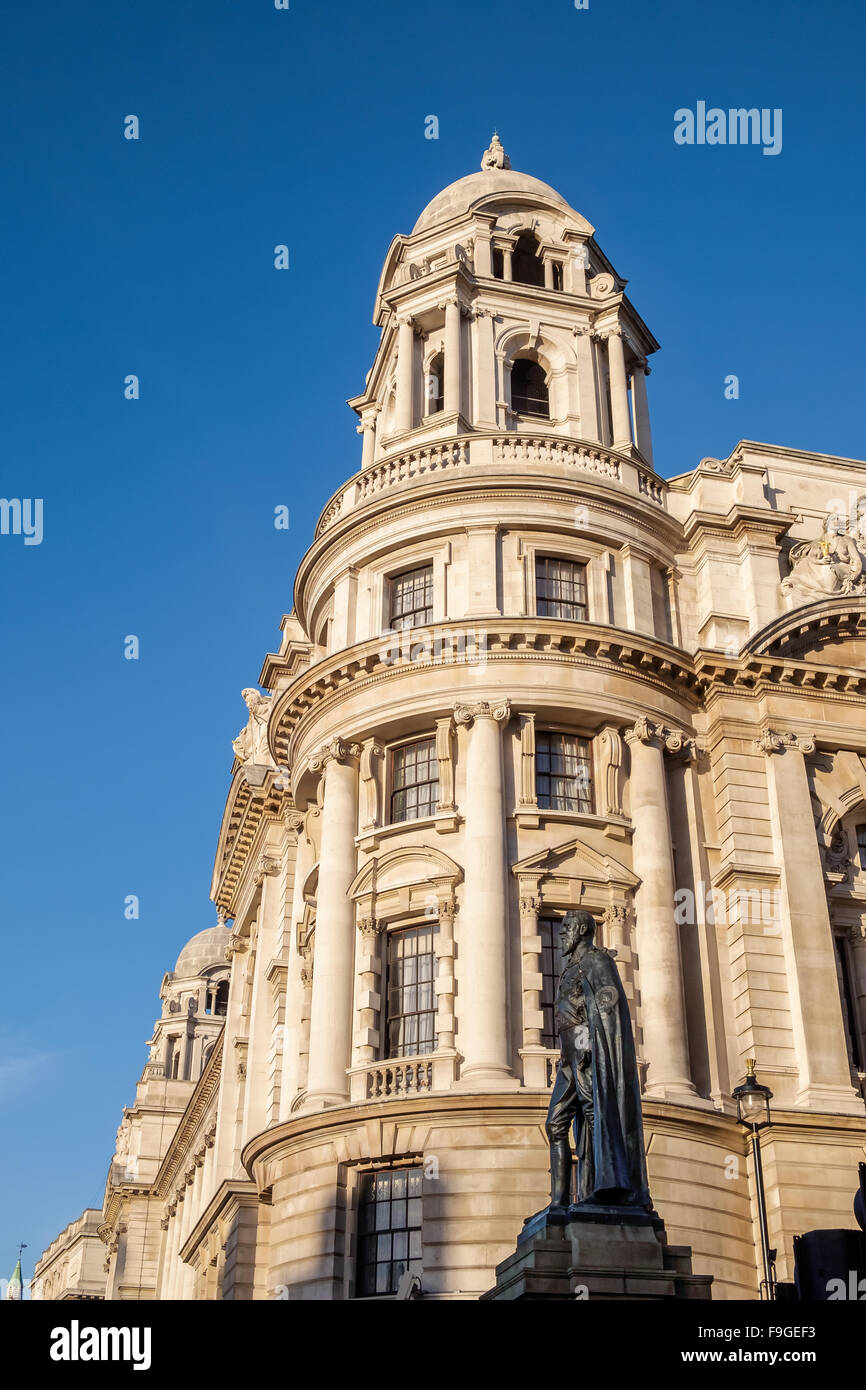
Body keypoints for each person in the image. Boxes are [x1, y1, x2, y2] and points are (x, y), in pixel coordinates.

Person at [545, 909, 651, 1210]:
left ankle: (606, 1186)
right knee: (555, 1124)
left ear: (580, 930)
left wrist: (589, 1044)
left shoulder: (597, 961)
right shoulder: (571, 967)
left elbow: (607, 1002)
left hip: (587, 1054)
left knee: (596, 1118)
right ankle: (558, 1203)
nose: (561, 933)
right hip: (568, 1058)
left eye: (566, 928)